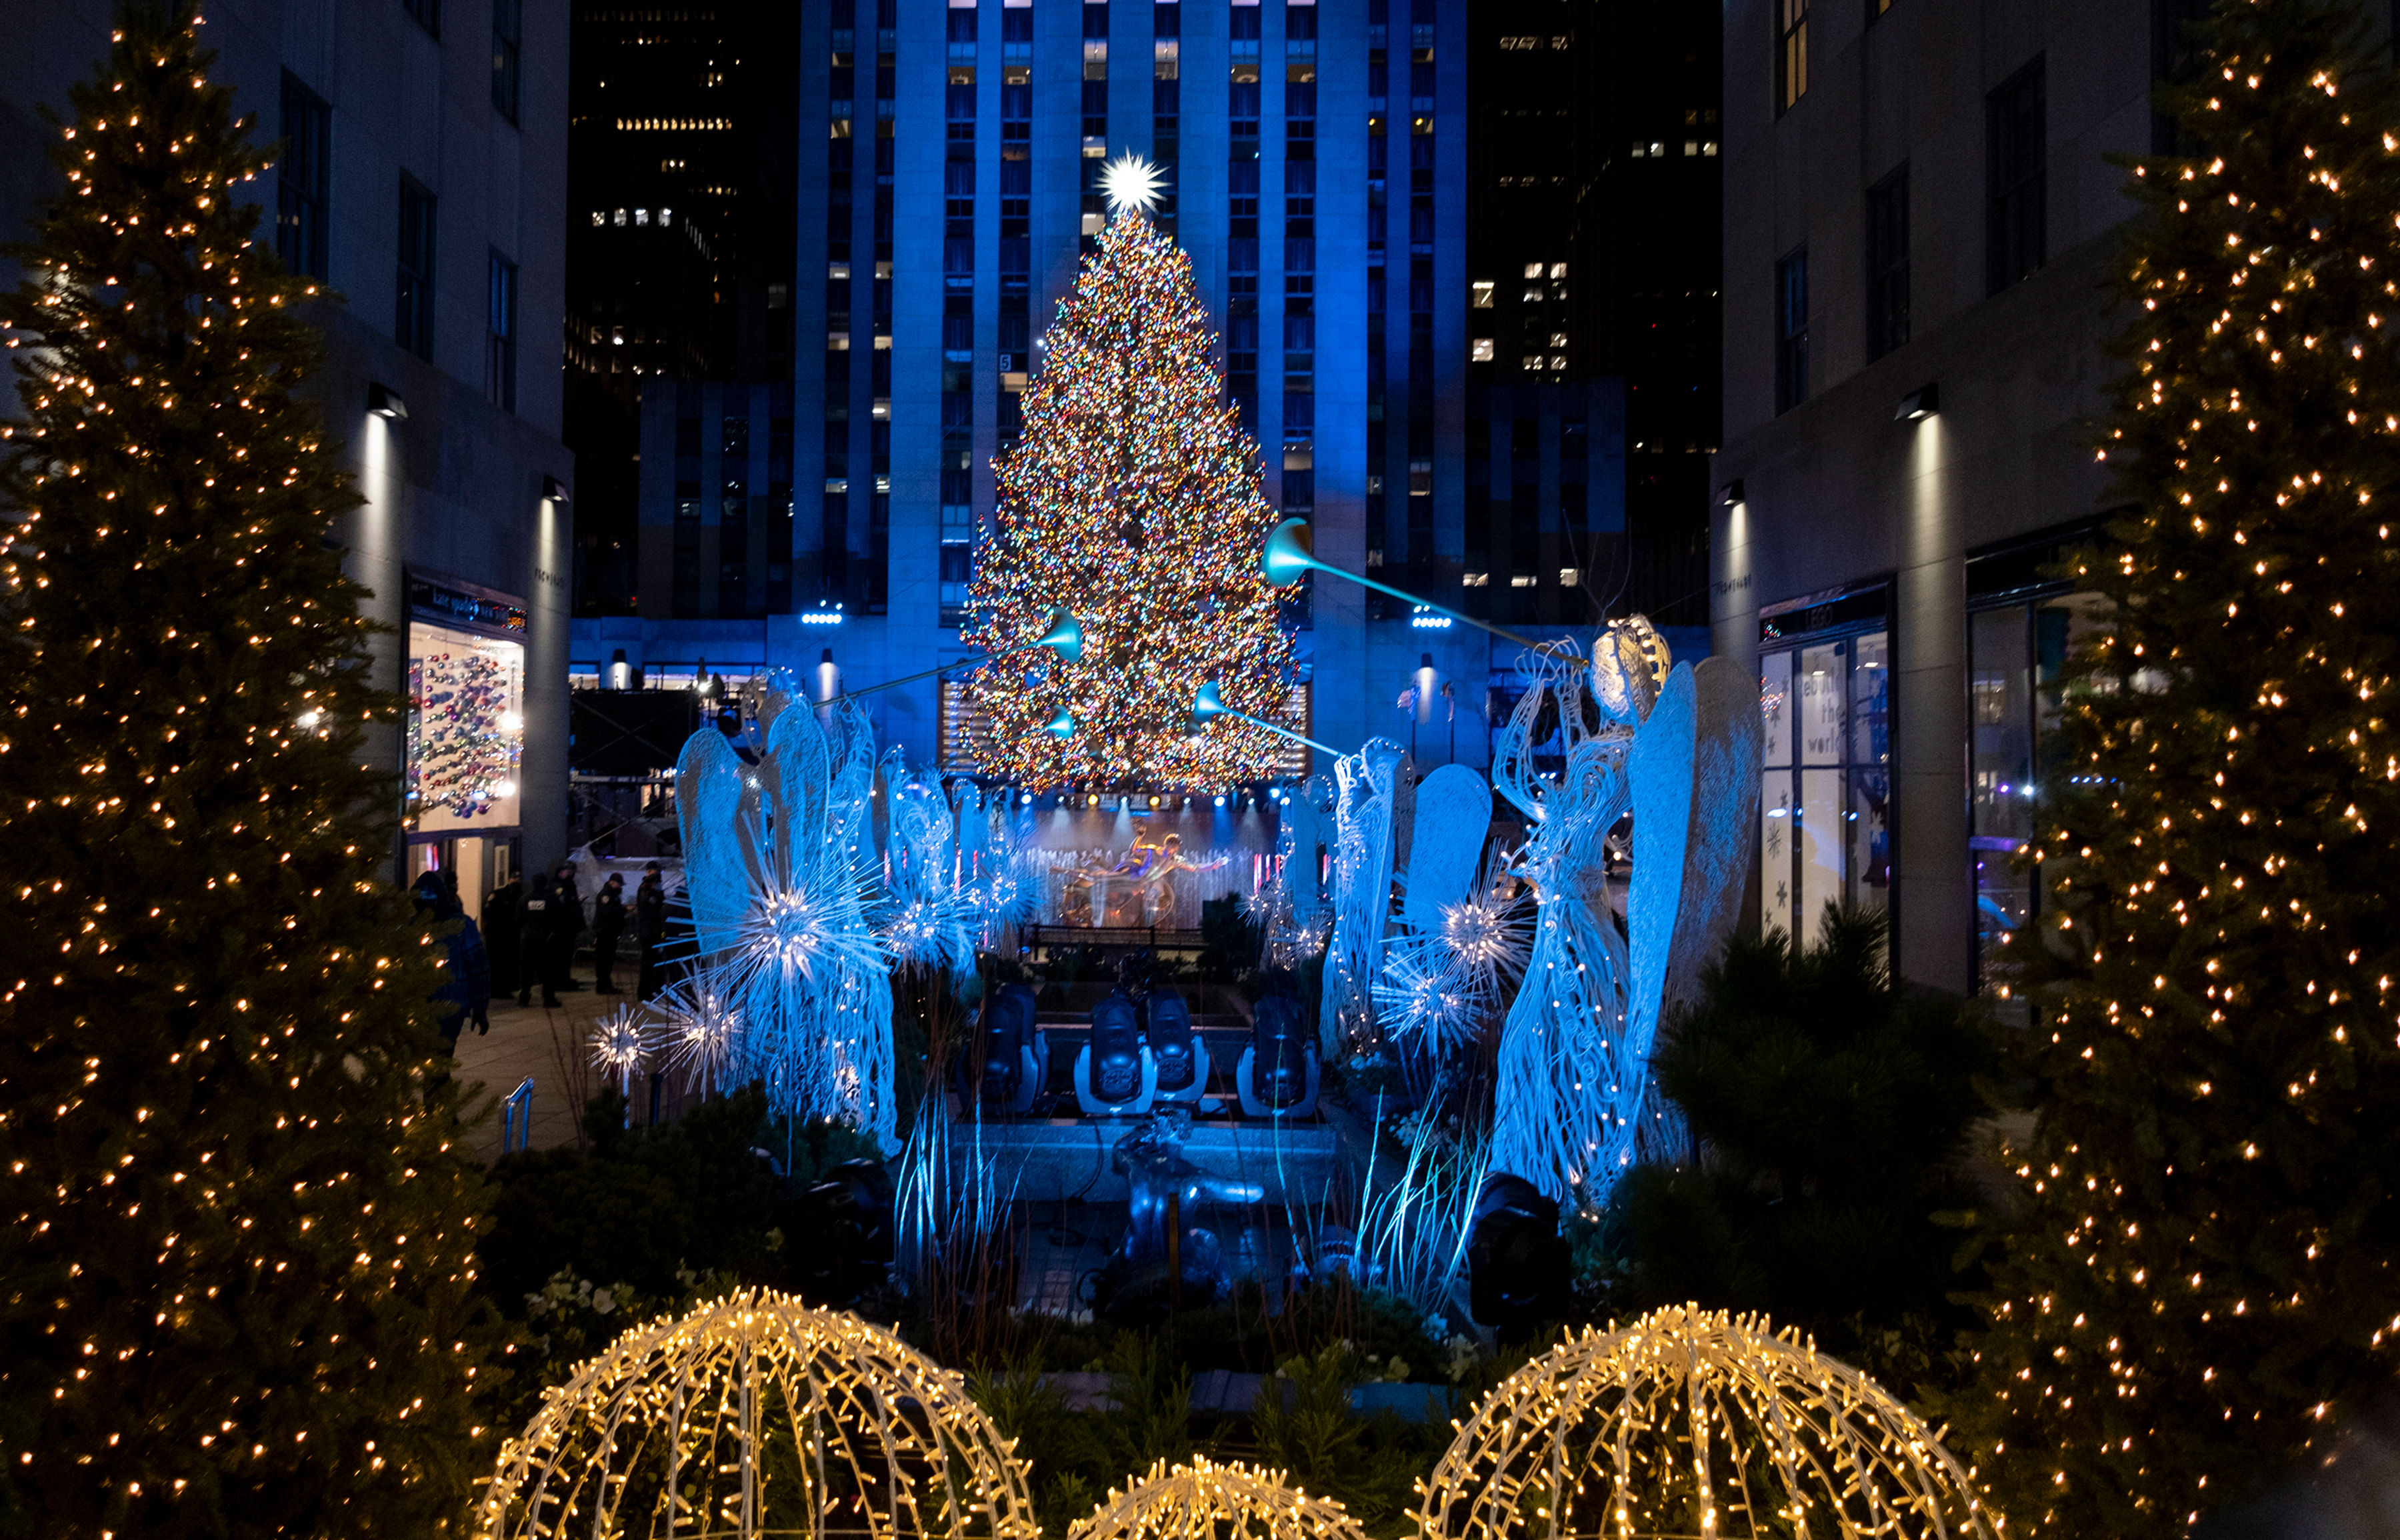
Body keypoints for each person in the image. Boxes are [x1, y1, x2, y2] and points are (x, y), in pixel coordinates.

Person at [411, 873, 490, 1048]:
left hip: (450, 1006)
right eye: (422, 893)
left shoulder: (460, 926)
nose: (426, 899)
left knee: (440, 1057)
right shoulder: (410, 927)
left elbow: (479, 969)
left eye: (431, 893)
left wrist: (480, 1009)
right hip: (417, 1006)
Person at [516, 872, 557, 1009]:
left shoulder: (524, 899)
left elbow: (518, 919)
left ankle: (524, 999)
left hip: (528, 938)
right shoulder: (551, 898)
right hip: (546, 939)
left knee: (526, 970)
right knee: (547, 970)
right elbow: (559, 917)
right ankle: (548, 999)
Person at [547, 863, 586, 999]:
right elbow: (563, 906)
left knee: (567, 954)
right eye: (567, 872)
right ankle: (560, 980)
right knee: (561, 955)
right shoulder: (557, 886)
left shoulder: (568, 885)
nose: (570, 874)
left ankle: (565, 978)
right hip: (562, 927)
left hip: (569, 926)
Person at [485, 871, 523, 1003]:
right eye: (514, 878)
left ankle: (502, 989)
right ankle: (500, 989)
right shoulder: (502, 894)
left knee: (504, 963)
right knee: (501, 963)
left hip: (504, 935)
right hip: (501, 935)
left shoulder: (516, 895)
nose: (516, 880)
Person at [634, 862, 668, 1001]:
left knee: (655, 961)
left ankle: (654, 989)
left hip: (653, 931)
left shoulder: (651, 891)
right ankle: (645, 992)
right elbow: (652, 912)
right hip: (649, 932)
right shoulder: (646, 891)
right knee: (649, 962)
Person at [591, 872, 627, 994]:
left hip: (610, 932)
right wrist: (624, 909)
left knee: (608, 960)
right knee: (603, 960)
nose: (620, 887)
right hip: (604, 932)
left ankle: (606, 985)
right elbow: (609, 911)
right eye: (619, 884)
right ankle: (602, 986)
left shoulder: (612, 895)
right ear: (612, 882)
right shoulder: (605, 895)